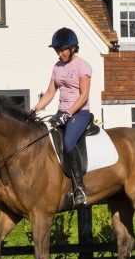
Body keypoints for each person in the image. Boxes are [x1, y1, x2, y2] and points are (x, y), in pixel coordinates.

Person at [35, 27, 94, 205]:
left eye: (62, 50)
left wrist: (68, 114)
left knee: (68, 143)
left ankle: (79, 188)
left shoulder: (82, 65)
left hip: (80, 112)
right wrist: (35, 109)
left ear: (73, 48)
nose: (59, 54)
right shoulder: (57, 67)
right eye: (57, 50)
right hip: (62, 112)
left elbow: (84, 95)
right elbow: (50, 93)